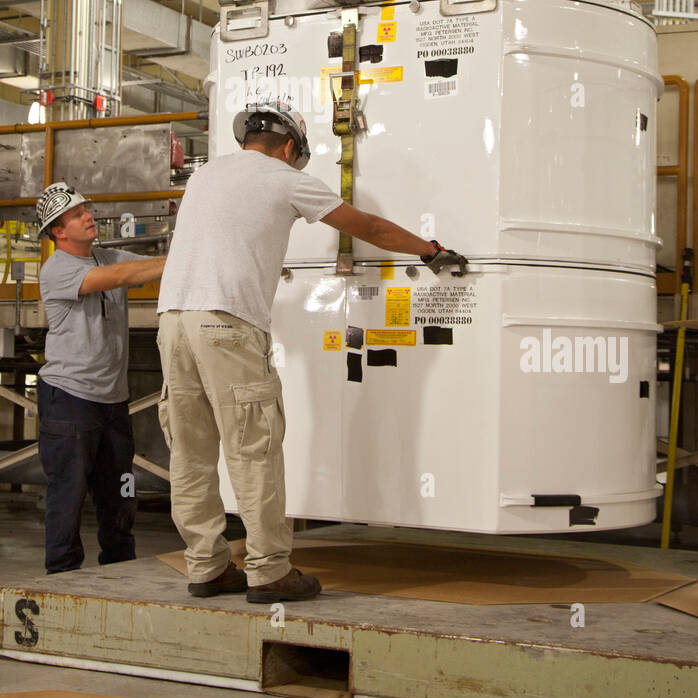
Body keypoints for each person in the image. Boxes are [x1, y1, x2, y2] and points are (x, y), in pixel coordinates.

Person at [156, 102, 467, 604]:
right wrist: (429, 249)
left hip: (172, 321)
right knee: (252, 449)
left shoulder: (205, 175)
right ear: (287, 148)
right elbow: (367, 227)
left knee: (191, 453)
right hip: (228, 322)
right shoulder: (284, 178)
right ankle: (269, 571)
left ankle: (207, 567)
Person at [36, 182, 166, 574]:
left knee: (120, 492)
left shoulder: (105, 256)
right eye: (77, 214)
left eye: (86, 209)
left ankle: (119, 569)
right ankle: (62, 575)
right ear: (58, 231)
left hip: (112, 400)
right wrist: (181, 259)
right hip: (68, 397)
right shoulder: (57, 269)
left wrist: (194, 248)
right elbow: (127, 274)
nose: (88, 216)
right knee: (68, 492)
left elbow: (145, 266)